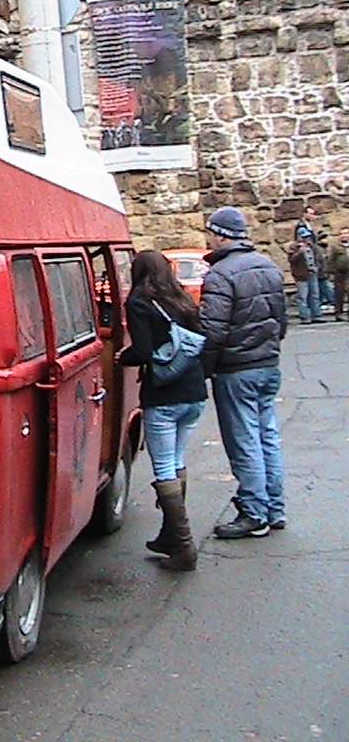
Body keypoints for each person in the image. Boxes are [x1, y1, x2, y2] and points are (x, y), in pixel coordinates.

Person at [116, 250, 207, 571]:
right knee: (178, 461)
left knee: (165, 465)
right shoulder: (181, 297)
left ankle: (184, 548)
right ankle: (170, 536)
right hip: (193, 391)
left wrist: (120, 358)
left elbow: (142, 350)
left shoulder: (139, 303)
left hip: (164, 394)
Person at [200, 207, 288, 539]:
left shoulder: (221, 275)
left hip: (237, 369)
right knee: (267, 438)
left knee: (245, 441)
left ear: (220, 234)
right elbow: (280, 321)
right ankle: (274, 508)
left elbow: (213, 331)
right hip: (267, 364)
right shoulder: (268, 266)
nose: (209, 237)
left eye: (210, 232)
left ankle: (254, 512)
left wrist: (205, 369)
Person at [287, 208, 323, 323]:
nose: (306, 239)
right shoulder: (294, 247)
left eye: (307, 237)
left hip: (312, 271)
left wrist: (318, 266)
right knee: (303, 296)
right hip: (301, 274)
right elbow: (292, 260)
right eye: (303, 237)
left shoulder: (312, 246)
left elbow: (317, 257)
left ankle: (316, 315)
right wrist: (299, 252)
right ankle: (305, 317)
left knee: (314, 295)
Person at [327, 228, 349, 321]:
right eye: (342, 233)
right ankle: (338, 313)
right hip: (340, 273)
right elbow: (331, 260)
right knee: (339, 294)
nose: (344, 235)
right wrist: (332, 271)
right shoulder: (336, 247)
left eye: (346, 233)